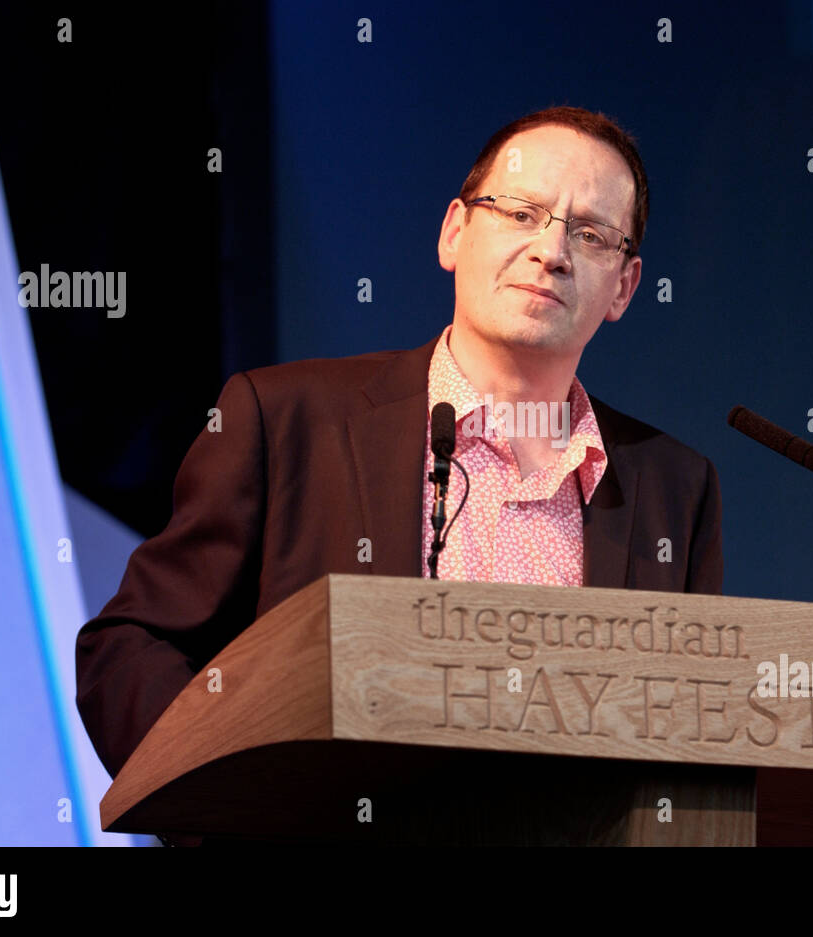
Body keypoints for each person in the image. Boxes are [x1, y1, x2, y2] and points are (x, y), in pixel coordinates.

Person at [74, 106, 725, 798]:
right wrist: (238, 806)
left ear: (624, 285)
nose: (551, 251)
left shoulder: (673, 486)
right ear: (454, 231)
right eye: (520, 213)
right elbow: (128, 646)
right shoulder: (286, 420)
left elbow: (690, 727)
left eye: (591, 233)